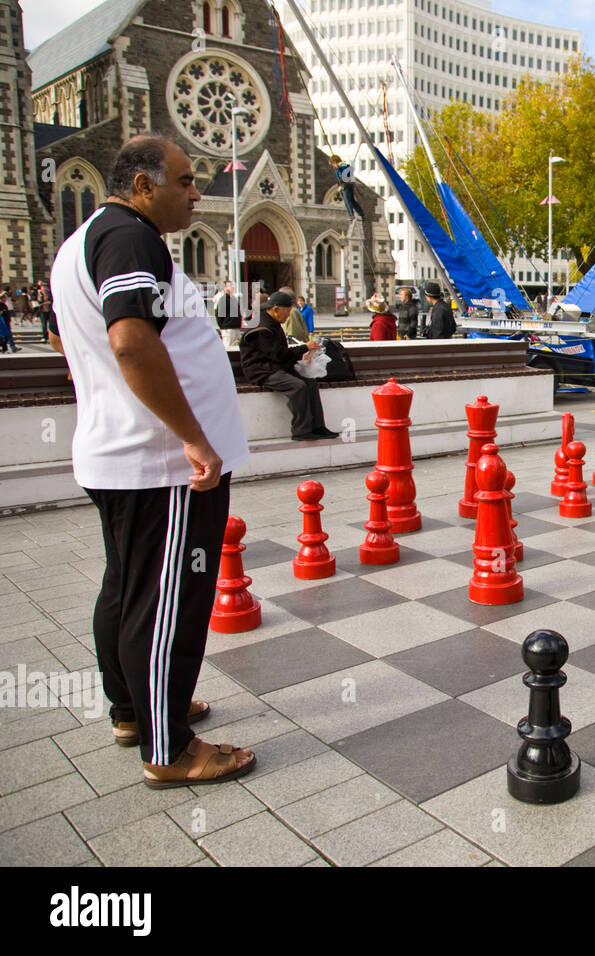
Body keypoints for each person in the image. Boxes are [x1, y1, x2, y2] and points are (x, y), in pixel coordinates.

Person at [50, 135, 255, 785]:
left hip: (120, 450)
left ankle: (136, 709)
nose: (197, 192)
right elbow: (131, 341)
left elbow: (67, 337)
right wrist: (193, 437)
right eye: (186, 180)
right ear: (141, 185)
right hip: (162, 462)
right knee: (168, 602)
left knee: (129, 589)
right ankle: (169, 748)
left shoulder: (84, 239)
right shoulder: (131, 237)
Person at [240, 290, 340, 441]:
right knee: (298, 386)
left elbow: (279, 355)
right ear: (275, 309)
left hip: (274, 367)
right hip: (262, 371)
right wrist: (304, 348)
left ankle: (318, 426)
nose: (287, 318)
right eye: (286, 314)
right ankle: (301, 431)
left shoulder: (271, 322)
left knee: (311, 384)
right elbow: (278, 355)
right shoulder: (263, 328)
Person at [330, 154, 364, 221]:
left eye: (333, 164)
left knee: (347, 200)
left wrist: (340, 166)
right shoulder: (337, 170)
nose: (333, 166)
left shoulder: (342, 165)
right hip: (344, 185)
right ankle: (361, 214)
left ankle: (352, 216)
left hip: (347, 184)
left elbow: (348, 168)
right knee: (351, 200)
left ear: (335, 162)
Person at [213, 281, 242, 346]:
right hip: (228, 329)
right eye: (230, 286)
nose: (232, 287)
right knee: (228, 346)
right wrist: (223, 327)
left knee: (236, 347)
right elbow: (219, 316)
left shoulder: (234, 299)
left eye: (232, 285)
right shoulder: (223, 299)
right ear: (225, 288)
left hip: (236, 327)